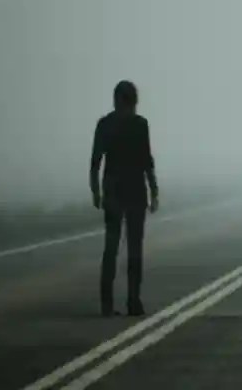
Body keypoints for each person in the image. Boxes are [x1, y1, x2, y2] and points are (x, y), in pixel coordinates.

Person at [90, 80, 159, 317]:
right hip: (135, 193)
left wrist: (95, 190)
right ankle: (133, 301)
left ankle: (107, 304)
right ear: (134, 101)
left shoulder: (105, 124)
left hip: (113, 192)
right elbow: (146, 160)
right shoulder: (140, 125)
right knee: (134, 249)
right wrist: (154, 190)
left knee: (111, 248)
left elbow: (95, 161)